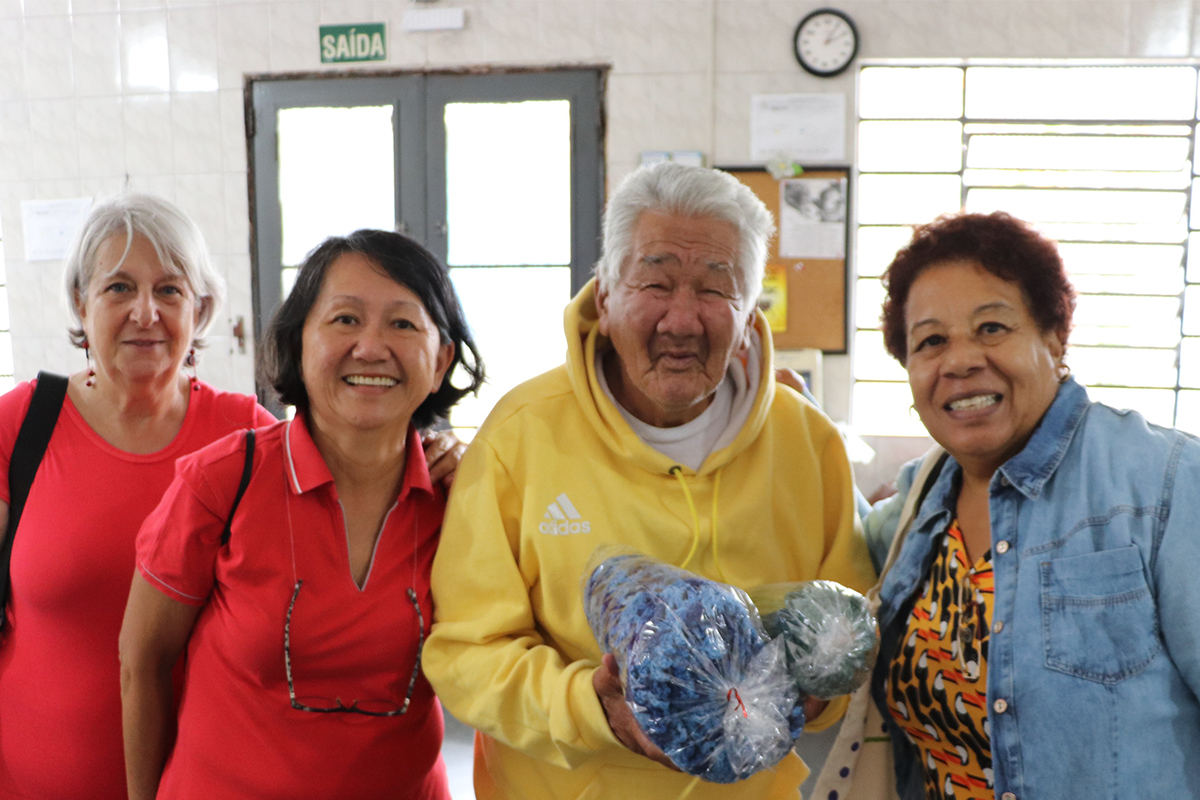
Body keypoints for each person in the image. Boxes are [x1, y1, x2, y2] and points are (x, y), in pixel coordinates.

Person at [422, 161, 875, 800]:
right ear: (605, 297)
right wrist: (589, 706)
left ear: (749, 315)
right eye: (655, 282)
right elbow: (465, 651)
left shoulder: (808, 444)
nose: (682, 320)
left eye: (717, 290)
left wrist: (801, 689)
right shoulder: (521, 435)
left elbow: (840, 641)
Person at [118, 229, 484, 800]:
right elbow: (142, 661)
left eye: (403, 324)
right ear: (298, 344)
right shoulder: (222, 481)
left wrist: (482, 486)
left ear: (439, 363)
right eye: (344, 320)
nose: (371, 347)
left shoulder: (465, 497)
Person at [847, 212, 1200, 799]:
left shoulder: (1163, 483)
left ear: (1054, 337)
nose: (959, 360)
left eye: (991, 328)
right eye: (931, 341)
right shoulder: (913, 507)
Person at [0, 193, 279, 800]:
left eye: (170, 290)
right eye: (119, 288)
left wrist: (439, 459)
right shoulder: (20, 427)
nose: (145, 313)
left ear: (200, 308)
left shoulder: (249, 436)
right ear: (81, 302)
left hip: (208, 785)